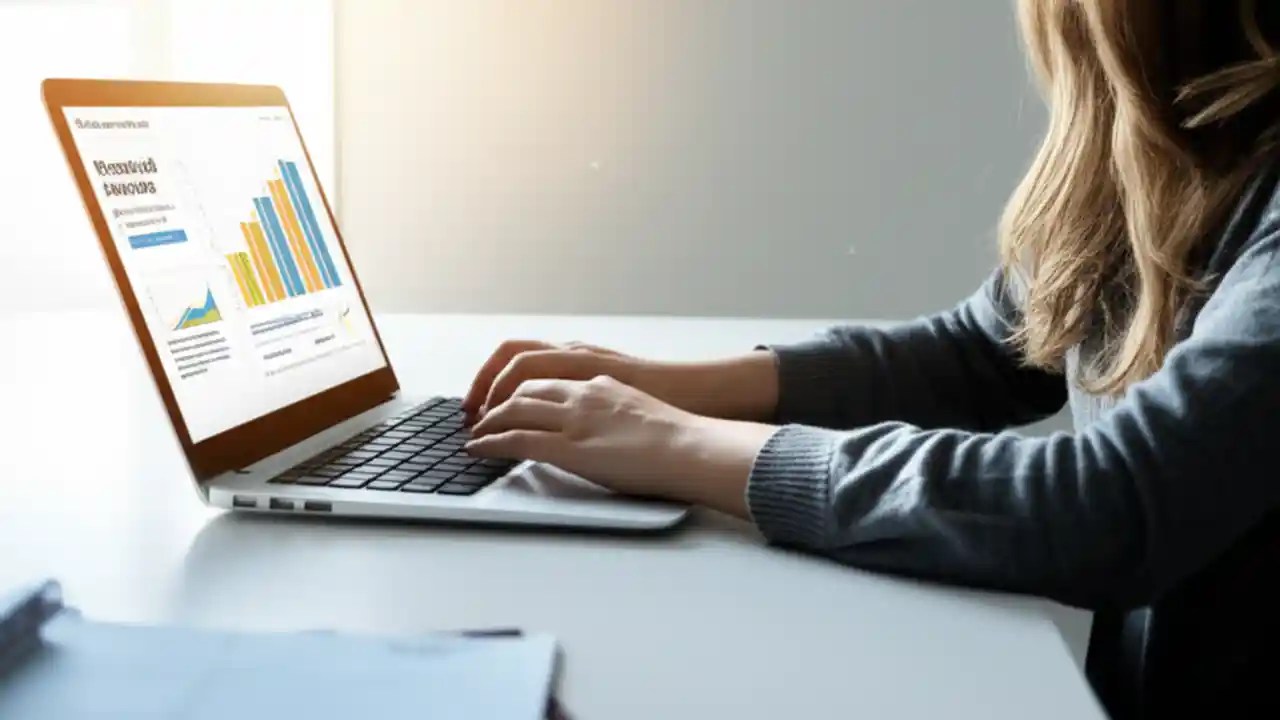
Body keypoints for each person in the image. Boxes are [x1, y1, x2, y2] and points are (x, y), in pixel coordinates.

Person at [462, 0, 1280, 716]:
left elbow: (1109, 509)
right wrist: (671, 389)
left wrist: (688, 447)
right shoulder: (1172, 136)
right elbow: (981, 351)